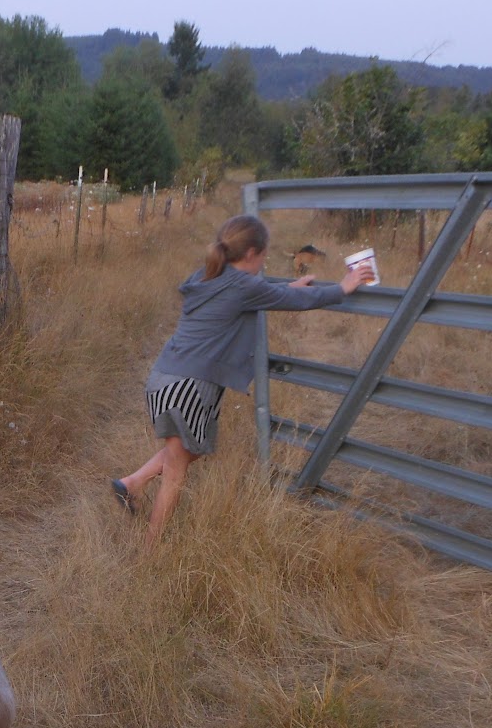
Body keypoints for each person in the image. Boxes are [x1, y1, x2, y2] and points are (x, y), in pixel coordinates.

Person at [112, 214, 374, 548]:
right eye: (264, 256)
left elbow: (258, 295)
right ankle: (151, 550)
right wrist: (344, 287)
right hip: (191, 386)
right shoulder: (244, 285)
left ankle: (131, 484)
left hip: (163, 380)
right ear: (251, 253)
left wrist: (283, 289)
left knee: (187, 452)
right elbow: (294, 301)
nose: (264, 262)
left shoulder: (209, 275)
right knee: (177, 473)